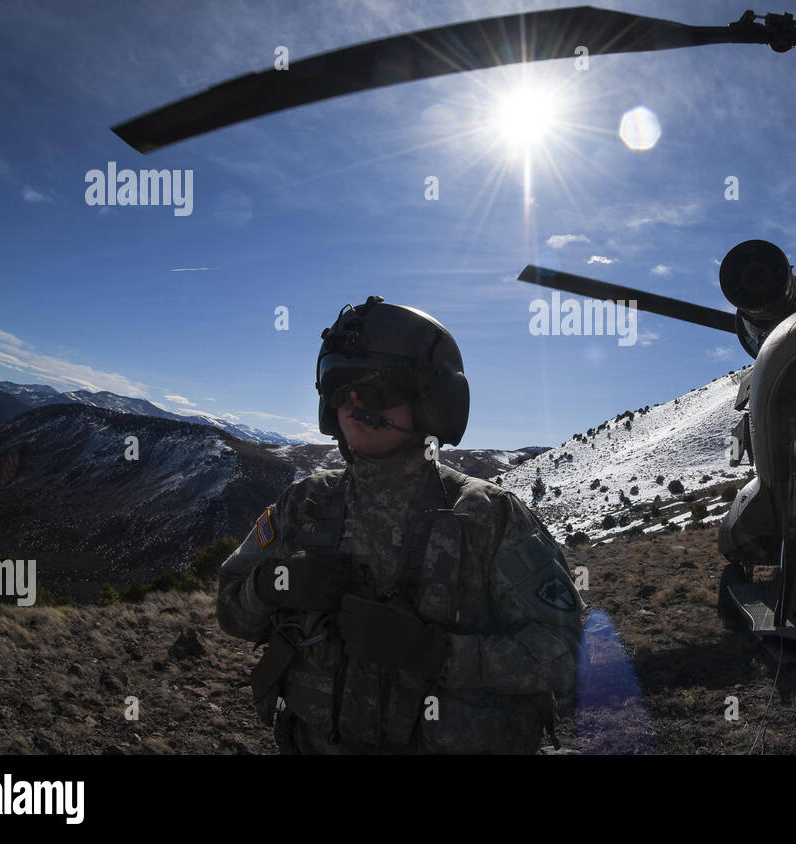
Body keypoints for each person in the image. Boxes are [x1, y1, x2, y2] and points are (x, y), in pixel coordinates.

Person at [216, 297, 583, 753]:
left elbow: (565, 655)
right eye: (339, 387)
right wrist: (271, 586)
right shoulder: (305, 502)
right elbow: (229, 610)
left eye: (375, 390)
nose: (352, 404)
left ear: (433, 399)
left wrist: (434, 653)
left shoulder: (488, 516)